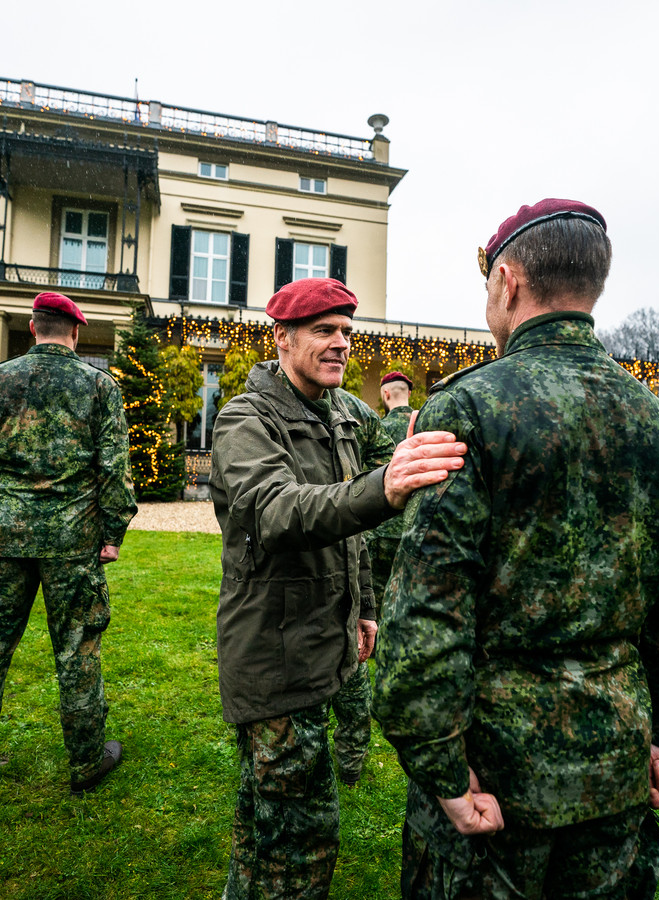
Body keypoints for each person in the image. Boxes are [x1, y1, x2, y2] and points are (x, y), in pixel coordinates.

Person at [373, 199, 659, 900]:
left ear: (508, 282)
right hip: (617, 760)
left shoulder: (469, 407)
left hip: (494, 772)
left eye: (487, 289)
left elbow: (427, 606)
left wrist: (440, 768)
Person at [210, 277, 467, 899]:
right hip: (275, 652)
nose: (340, 345)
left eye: (347, 333)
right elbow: (277, 511)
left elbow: (348, 539)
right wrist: (385, 487)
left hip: (323, 637)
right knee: (300, 843)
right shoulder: (246, 418)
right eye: (323, 331)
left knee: (265, 821)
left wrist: (365, 608)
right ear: (283, 339)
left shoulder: (342, 416)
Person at [0, 291, 138, 812]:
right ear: (74, 332)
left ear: (33, 328)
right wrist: (113, 531)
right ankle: (85, 762)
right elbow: (113, 468)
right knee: (78, 652)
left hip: (3, 538)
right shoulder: (99, 385)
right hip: (72, 541)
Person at [329, 387, 397, 787]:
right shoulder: (262, 411)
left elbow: (383, 461)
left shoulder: (353, 409)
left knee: (353, 666)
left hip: (355, 540)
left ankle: (350, 766)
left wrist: (358, 492)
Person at [366, 370, 418, 592]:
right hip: (414, 527)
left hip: (382, 529)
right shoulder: (422, 426)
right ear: (407, 394)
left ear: (386, 394)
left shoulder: (378, 428)